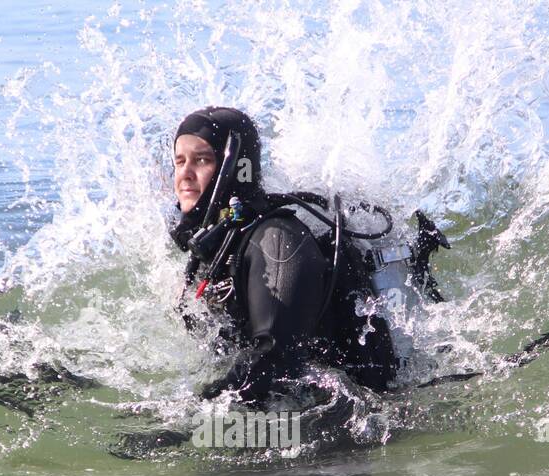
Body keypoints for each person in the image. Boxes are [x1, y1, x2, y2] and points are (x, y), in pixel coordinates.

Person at [171, 106, 402, 404]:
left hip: (353, 421)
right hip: (298, 407)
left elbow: (277, 356)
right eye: (180, 161)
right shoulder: (219, 242)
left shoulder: (277, 242)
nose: (185, 175)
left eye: (202, 160)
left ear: (237, 168)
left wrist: (185, 418)